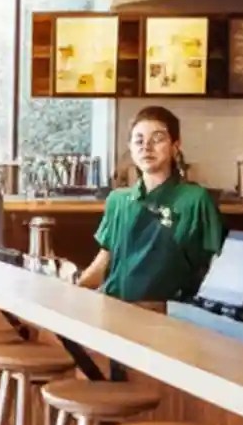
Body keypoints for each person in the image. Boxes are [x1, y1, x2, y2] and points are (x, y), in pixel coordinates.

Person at [77, 106, 226, 303]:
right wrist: (74, 292)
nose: (146, 147)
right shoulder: (118, 201)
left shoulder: (195, 200)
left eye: (157, 139)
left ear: (175, 146)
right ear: (130, 147)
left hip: (168, 317)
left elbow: (217, 267)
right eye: (138, 140)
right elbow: (104, 261)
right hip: (115, 309)